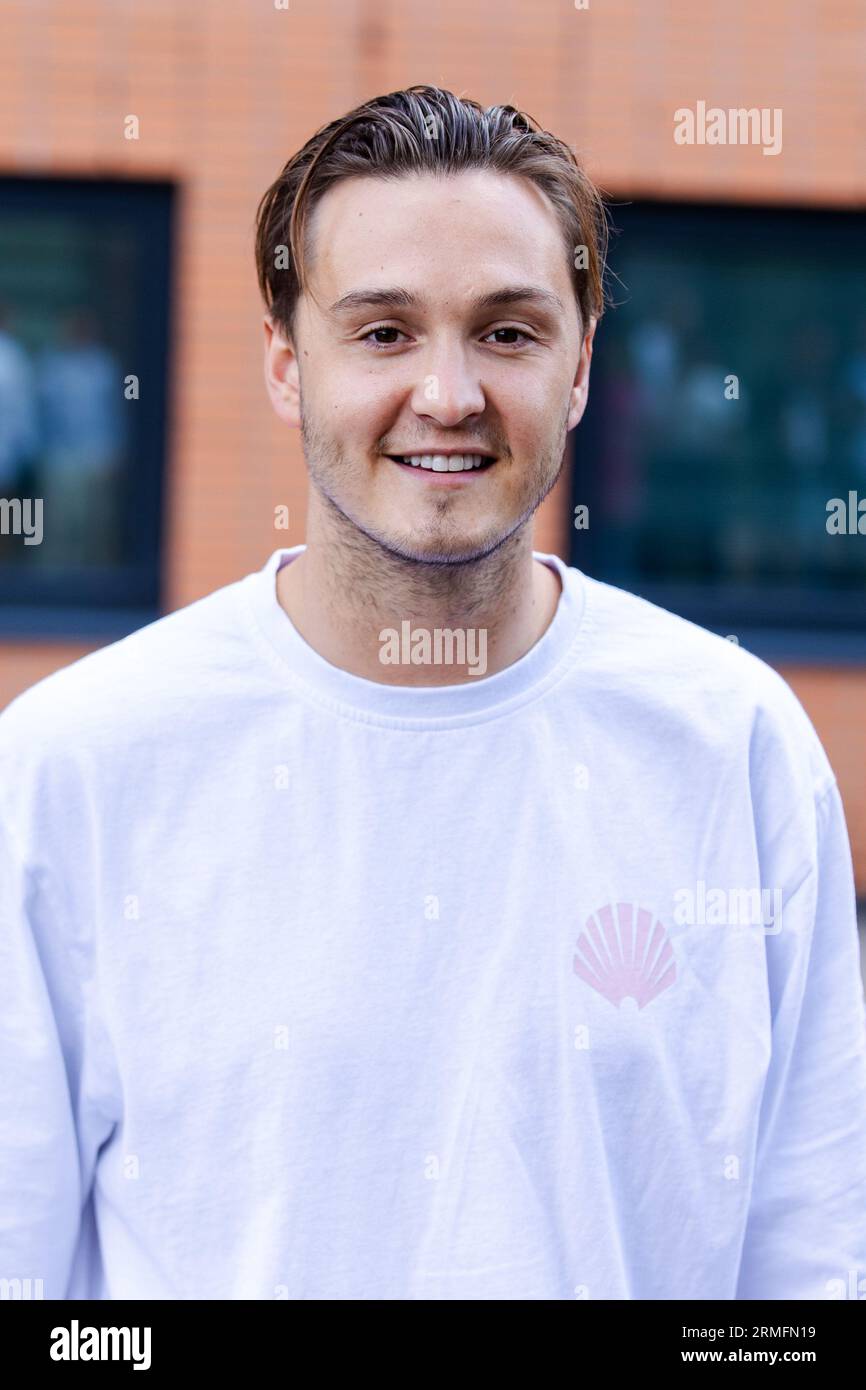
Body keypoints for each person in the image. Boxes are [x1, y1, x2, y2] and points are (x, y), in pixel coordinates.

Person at [1, 85, 865, 1302]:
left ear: (577, 371)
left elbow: (808, 1275)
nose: (448, 396)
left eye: (507, 332)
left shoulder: (734, 746)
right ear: (285, 364)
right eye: (383, 331)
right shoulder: (72, 767)